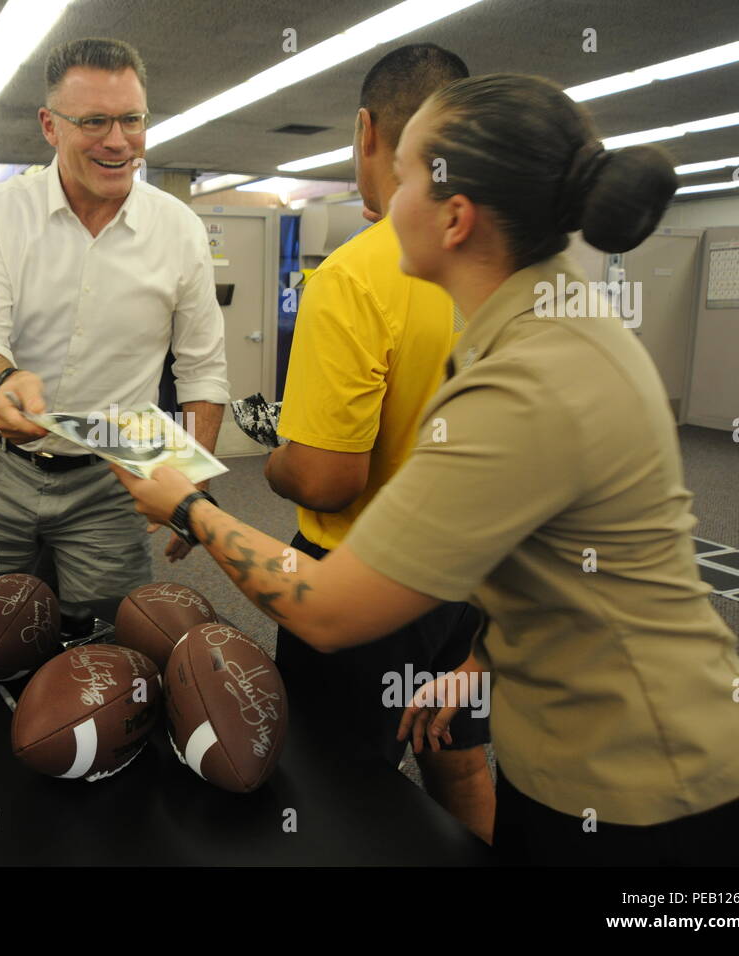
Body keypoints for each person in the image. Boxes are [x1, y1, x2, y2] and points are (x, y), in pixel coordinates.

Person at [113, 73, 739, 866]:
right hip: (593, 772)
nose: (386, 200)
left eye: (403, 178)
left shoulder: (526, 380)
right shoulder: (547, 328)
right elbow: (562, 558)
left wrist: (187, 507)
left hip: (656, 804)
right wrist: (478, 659)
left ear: (455, 217)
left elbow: (328, 609)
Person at [264, 44, 492, 841]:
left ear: (367, 131)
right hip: (472, 581)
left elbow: (327, 480)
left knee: (330, 780)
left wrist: (274, 462)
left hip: (360, 587)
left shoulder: (356, 274)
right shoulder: (507, 262)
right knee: (459, 759)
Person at [0, 37, 228, 615]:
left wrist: (194, 486)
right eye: (94, 121)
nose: (118, 141)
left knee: (107, 650)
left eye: (132, 120)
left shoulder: (179, 230)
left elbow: (201, 369)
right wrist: (2, 382)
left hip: (114, 477)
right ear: (50, 125)